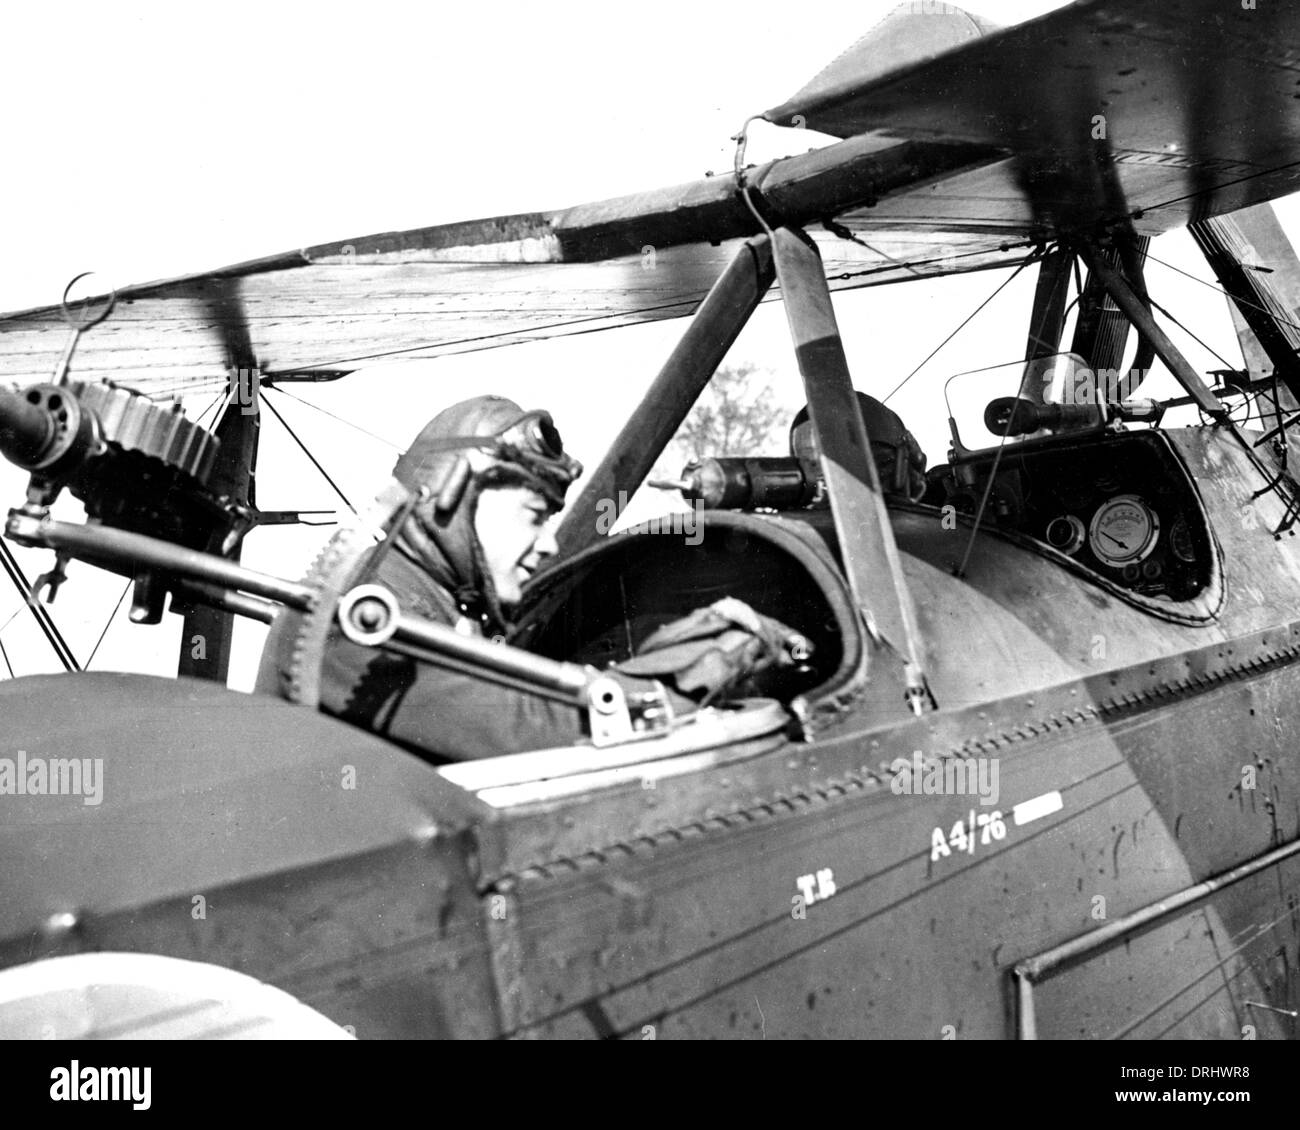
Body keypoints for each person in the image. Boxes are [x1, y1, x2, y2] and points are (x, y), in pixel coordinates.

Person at [257, 395, 800, 761]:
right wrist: (717, 653)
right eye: (534, 516)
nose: (547, 546)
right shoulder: (366, 623)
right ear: (453, 495)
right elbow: (541, 729)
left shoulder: (408, 595)